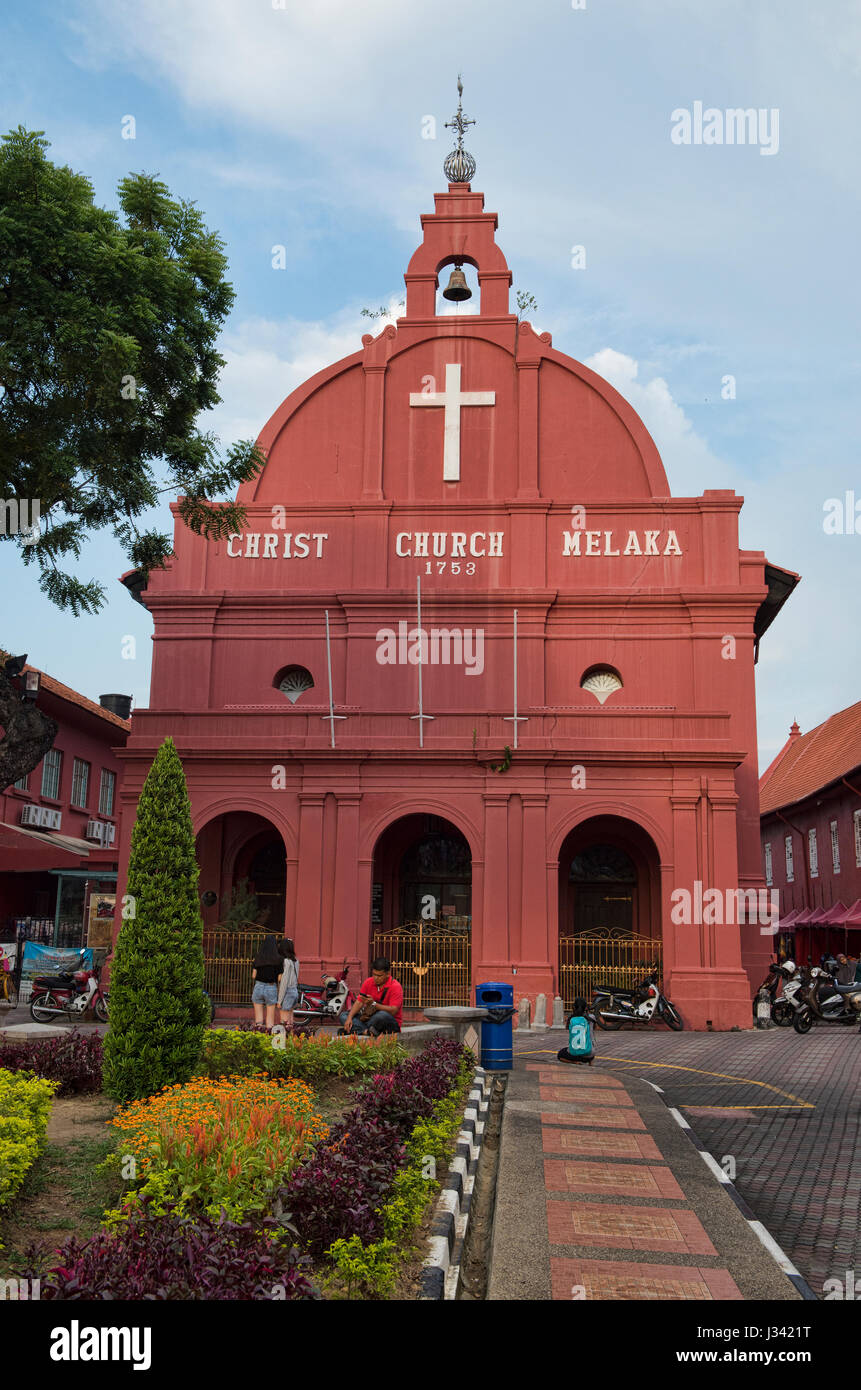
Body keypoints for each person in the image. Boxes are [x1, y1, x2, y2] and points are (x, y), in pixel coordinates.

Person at [340, 956, 403, 1036]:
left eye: (379, 976)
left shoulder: (395, 986)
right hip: (369, 1020)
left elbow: (393, 1011)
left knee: (381, 1016)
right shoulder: (368, 982)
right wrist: (349, 1018)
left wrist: (373, 1004)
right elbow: (359, 1002)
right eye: (374, 974)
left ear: (388, 974)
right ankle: (366, 1031)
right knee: (344, 1016)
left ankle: (356, 1030)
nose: (376, 978)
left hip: (388, 1022)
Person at [251, 934, 282, 1029]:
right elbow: (279, 978)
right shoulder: (278, 959)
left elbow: (253, 976)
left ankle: (258, 1034)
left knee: (258, 1020)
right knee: (270, 1020)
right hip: (271, 987)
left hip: (258, 986)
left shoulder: (258, 957)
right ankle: (269, 1035)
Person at [557, 997, 595, 1065]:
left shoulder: (571, 1019)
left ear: (574, 1007)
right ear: (585, 1008)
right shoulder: (591, 1018)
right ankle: (591, 1062)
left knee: (560, 1055)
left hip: (574, 1054)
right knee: (590, 1042)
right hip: (589, 1055)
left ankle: (574, 1062)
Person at [277, 937, 300, 1028]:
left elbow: (284, 982)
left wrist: (279, 1000)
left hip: (287, 992)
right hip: (294, 991)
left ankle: (284, 1040)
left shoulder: (286, 961)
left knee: (284, 1022)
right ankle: (291, 1039)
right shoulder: (296, 961)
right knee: (290, 1022)